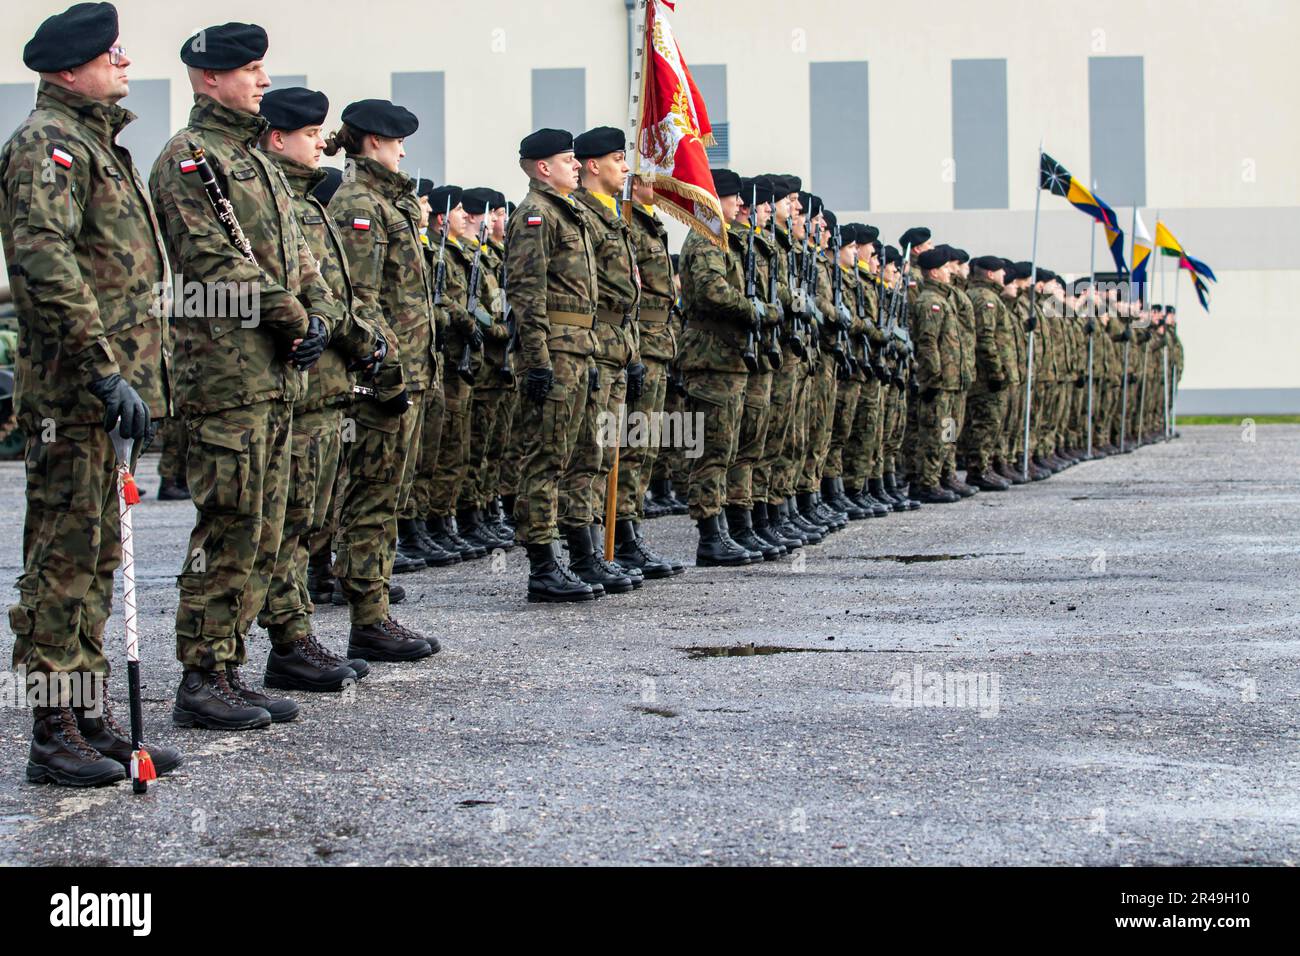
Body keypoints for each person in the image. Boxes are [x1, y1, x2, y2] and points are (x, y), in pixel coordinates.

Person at [151, 22, 358, 728]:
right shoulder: (189, 157)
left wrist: (318, 316)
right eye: (250, 70)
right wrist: (294, 317)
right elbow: (211, 261)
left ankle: (231, 666)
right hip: (225, 375)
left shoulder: (261, 165)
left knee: (269, 526)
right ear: (210, 78)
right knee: (228, 525)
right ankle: (200, 674)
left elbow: (304, 260)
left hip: (274, 375)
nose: (263, 81)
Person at [2, 1, 181, 783]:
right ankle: (51, 731)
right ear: (67, 68)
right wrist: (102, 368)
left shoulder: (98, 145)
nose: (126, 63)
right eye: (111, 54)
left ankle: (86, 712)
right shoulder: (49, 146)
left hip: (108, 396)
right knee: (61, 563)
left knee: (100, 558)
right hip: (73, 395)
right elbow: (45, 264)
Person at [255, 86, 400, 684]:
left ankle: (299, 637)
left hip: (332, 379)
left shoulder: (307, 203)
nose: (323, 142)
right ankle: (286, 642)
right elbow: (328, 298)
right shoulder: (288, 203)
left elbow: (335, 295)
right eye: (311, 134)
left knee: (309, 520)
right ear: (277, 138)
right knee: (287, 521)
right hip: (306, 379)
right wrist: (364, 344)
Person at [323, 98, 441, 659]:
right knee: (371, 495)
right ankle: (367, 619)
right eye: (396, 143)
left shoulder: (387, 202)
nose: (402, 152)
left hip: (405, 371)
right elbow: (360, 300)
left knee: (387, 494)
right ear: (373, 142)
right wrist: (386, 367)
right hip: (382, 376)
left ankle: (373, 609)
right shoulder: (359, 204)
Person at [507, 128, 601, 601]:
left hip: (577, 347)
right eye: (568, 160)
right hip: (554, 352)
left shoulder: (567, 211)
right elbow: (526, 293)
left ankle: (582, 556)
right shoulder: (536, 215)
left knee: (582, 453)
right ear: (543, 167)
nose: (577, 166)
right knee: (545, 458)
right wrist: (537, 359)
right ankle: (542, 566)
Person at [678, 168, 763, 566]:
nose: (740, 205)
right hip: (710, 359)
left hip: (725, 359)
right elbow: (713, 292)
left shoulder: (721, 237)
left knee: (726, 450)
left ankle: (722, 531)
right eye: (733, 198)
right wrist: (754, 311)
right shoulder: (706, 237)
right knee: (711, 451)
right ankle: (710, 537)